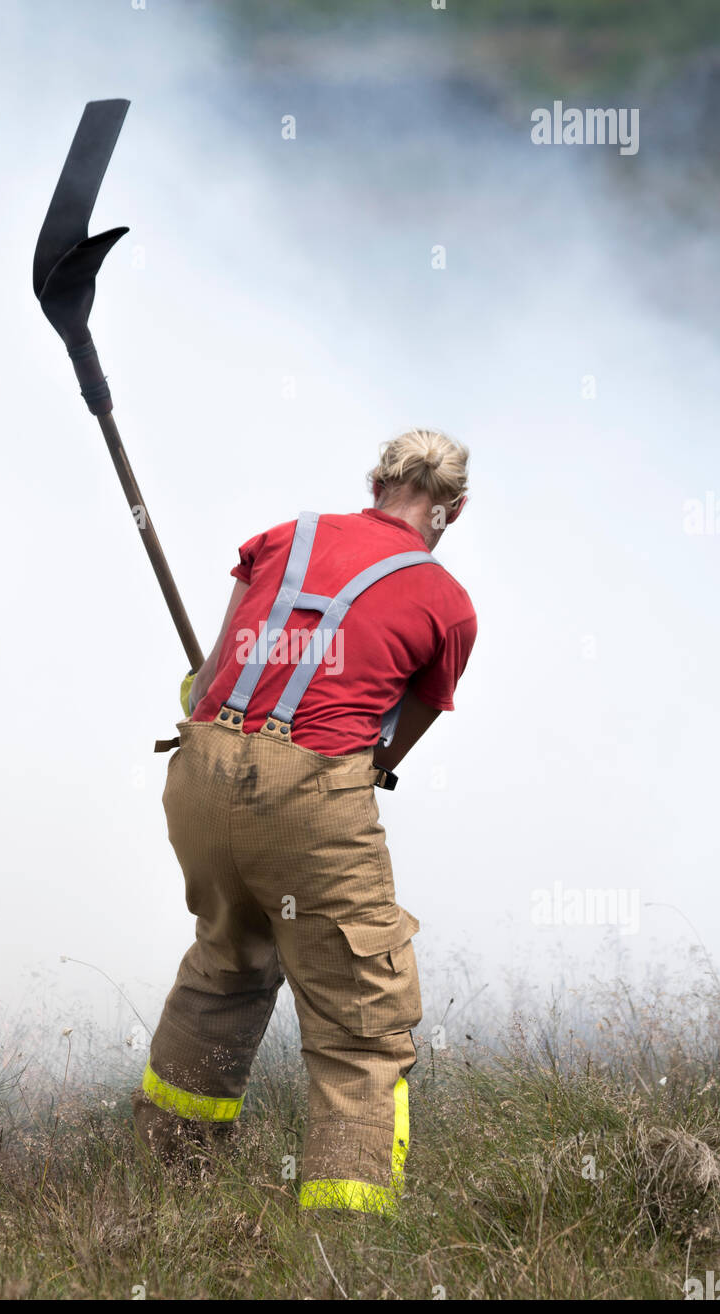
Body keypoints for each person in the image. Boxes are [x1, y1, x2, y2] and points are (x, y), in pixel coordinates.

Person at [132, 428, 477, 1213]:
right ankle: (346, 1241)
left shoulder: (282, 539)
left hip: (200, 773)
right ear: (454, 510)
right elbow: (389, 747)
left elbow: (209, 681)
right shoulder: (447, 604)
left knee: (226, 966)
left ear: (377, 483)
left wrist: (214, 702)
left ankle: (166, 1188)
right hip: (308, 797)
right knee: (361, 1020)